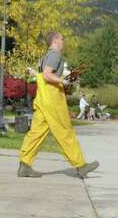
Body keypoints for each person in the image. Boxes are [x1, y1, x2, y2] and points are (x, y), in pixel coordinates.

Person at [18, 32, 100, 179]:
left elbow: (43, 75)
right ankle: (80, 166)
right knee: (65, 131)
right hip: (52, 100)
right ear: (55, 40)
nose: (64, 41)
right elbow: (47, 75)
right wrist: (63, 81)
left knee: (36, 133)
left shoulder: (46, 56)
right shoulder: (55, 55)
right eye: (62, 39)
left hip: (43, 100)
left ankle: (24, 165)